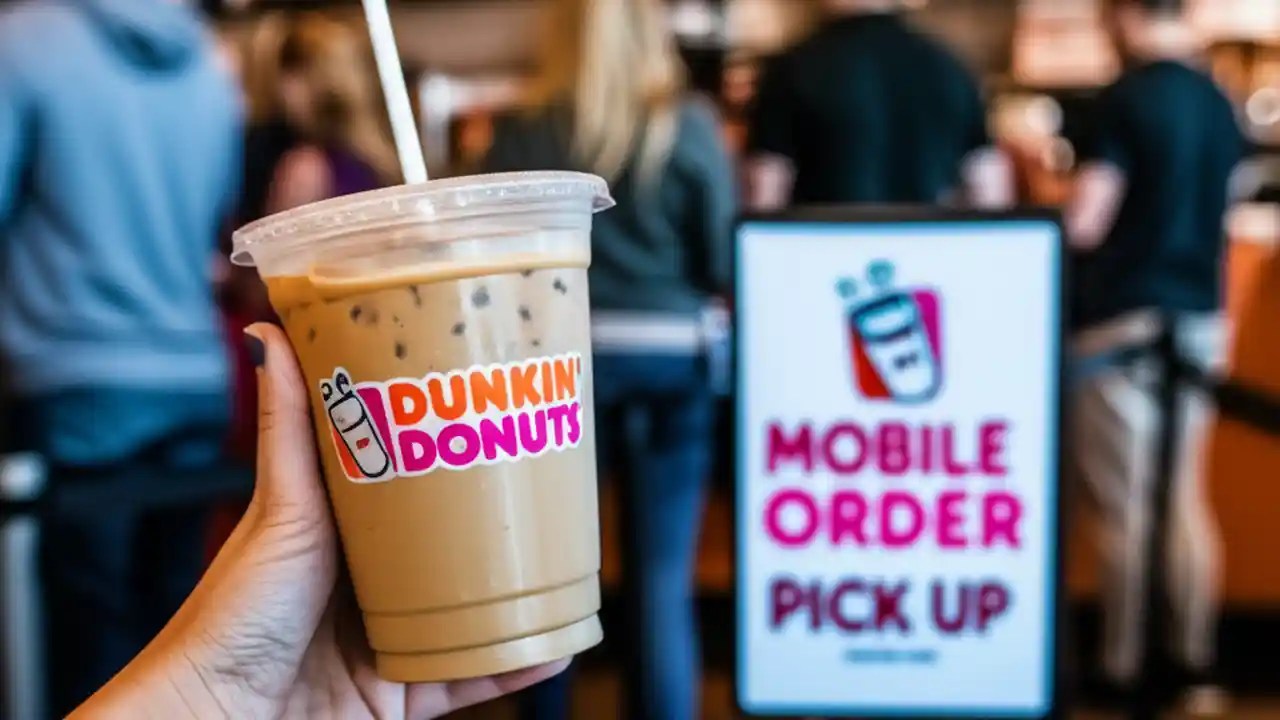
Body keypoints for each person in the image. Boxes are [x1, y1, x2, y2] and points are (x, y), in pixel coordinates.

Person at [70, 325, 567, 719]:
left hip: (77, 372)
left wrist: (219, 694)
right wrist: (220, 692)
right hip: (192, 369)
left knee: (100, 602)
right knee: (147, 583)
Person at [481, 0, 736, 717]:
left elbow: (492, 259)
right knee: (662, 579)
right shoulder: (687, 124)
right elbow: (720, 254)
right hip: (669, 361)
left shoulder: (522, 128)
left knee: (554, 578)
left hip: (558, 368)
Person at [0, 0, 241, 713]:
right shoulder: (210, 63)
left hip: (78, 381)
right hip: (195, 376)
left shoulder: (23, 42)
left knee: (91, 655)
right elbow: (216, 224)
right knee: (175, 639)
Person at [1066, 0, 1246, 713]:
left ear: (1126, 13)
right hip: (1200, 319)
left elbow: (1086, 219)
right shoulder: (1219, 101)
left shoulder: (1123, 100)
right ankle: (1193, 663)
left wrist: (1037, 180)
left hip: (1121, 320)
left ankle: (1122, 668)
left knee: (1123, 507)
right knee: (1182, 503)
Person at [744, 0, 1013, 211]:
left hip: (827, 260)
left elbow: (765, 189)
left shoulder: (792, 68)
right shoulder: (949, 66)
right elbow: (989, 189)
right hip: (925, 256)